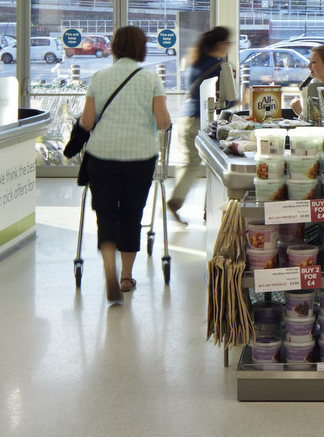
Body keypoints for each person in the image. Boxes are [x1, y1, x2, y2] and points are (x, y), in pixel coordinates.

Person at [79, 26, 172, 305]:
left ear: (115, 48)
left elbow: (86, 122)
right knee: (132, 215)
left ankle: (109, 264)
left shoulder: (99, 76)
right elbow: (163, 121)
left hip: (102, 157)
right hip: (139, 158)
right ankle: (125, 276)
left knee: (106, 214)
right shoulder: (150, 78)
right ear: (141, 49)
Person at [167, 25, 233, 224]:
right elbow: (227, 100)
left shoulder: (195, 60)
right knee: (200, 165)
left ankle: (204, 207)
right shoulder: (217, 65)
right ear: (221, 44)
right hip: (199, 120)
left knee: (194, 163)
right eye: (228, 43)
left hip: (186, 117)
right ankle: (176, 201)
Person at [289, 44, 324, 119]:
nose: (309, 66)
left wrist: (300, 111)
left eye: (313, 62)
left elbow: (320, 124)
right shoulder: (319, 86)